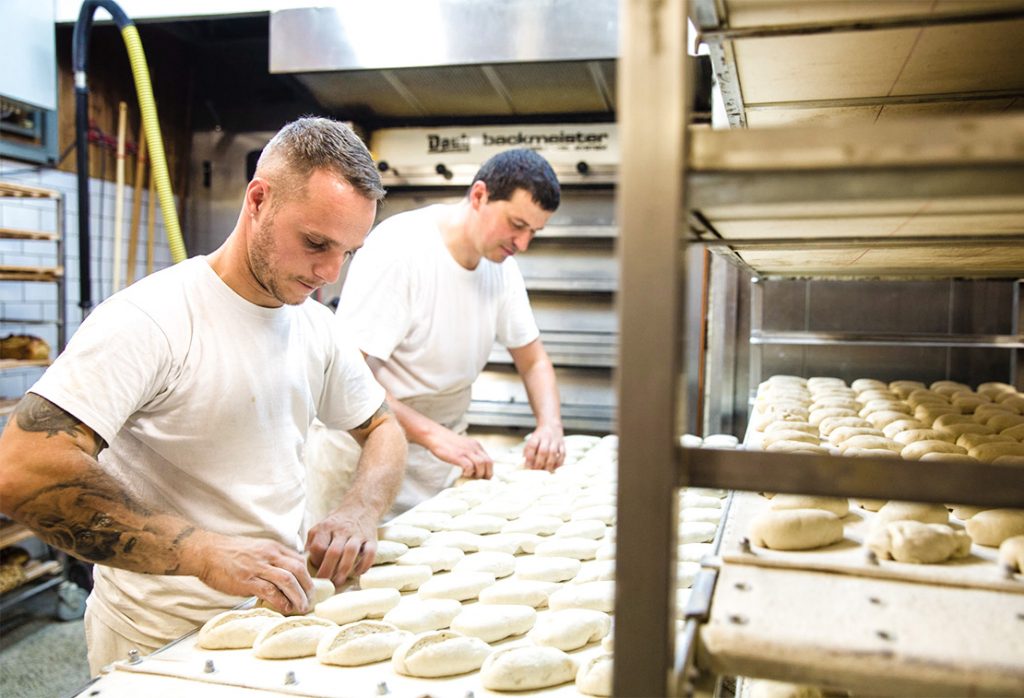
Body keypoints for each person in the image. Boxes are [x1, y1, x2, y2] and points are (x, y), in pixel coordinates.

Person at [0, 117, 407, 675]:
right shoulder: (153, 320)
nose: (330, 274)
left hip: (276, 622)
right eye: (315, 243)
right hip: (160, 642)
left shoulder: (316, 327)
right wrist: (200, 551)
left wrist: (361, 510)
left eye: (347, 252)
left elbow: (383, 429)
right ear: (258, 200)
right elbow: (24, 470)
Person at [305, 148, 566, 519]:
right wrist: (435, 436)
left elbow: (534, 360)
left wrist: (550, 426)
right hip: (363, 461)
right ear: (479, 196)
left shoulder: (501, 268)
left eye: (533, 233)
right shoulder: (401, 248)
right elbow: (347, 376)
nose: (522, 244)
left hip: (438, 465)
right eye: (516, 225)